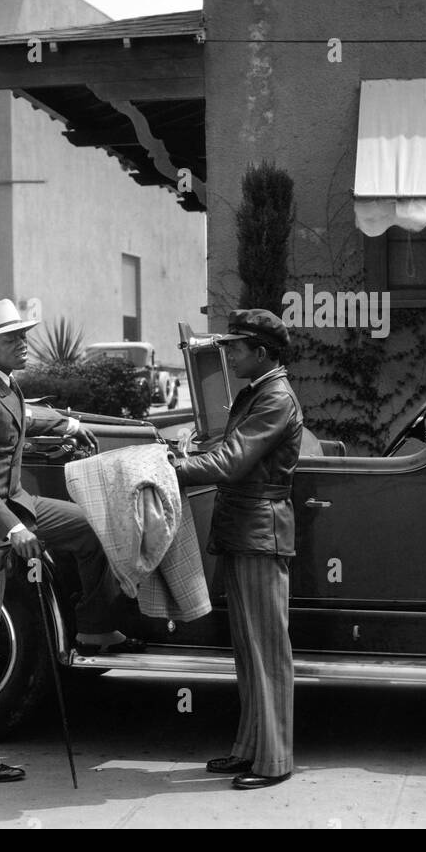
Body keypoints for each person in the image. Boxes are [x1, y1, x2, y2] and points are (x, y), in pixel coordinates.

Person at [0, 298, 139, 783]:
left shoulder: (0, 383)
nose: (23, 344)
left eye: (24, 335)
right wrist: (13, 526)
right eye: (12, 339)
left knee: (92, 527)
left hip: (19, 503)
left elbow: (21, 415)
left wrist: (68, 422)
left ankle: (92, 625)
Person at [173, 309, 303, 790]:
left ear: (261, 352)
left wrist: (175, 468)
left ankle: (274, 761)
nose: (228, 355)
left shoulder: (274, 398)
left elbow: (231, 460)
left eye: (237, 348)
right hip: (246, 528)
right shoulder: (259, 392)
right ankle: (250, 749)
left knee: (267, 649)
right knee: (250, 649)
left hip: (259, 531)